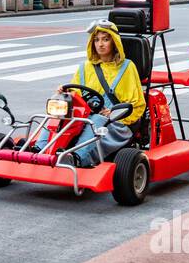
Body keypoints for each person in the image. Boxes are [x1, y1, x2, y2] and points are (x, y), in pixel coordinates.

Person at [31, 20, 146, 166]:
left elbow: (137, 104)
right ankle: (39, 149)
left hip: (117, 120)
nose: (100, 44)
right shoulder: (85, 67)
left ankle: (77, 158)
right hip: (87, 115)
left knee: (96, 120)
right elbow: (76, 93)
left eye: (106, 39)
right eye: (97, 40)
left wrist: (112, 112)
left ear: (114, 42)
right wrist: (65, 92)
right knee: (58, 114)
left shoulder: (127, 67)